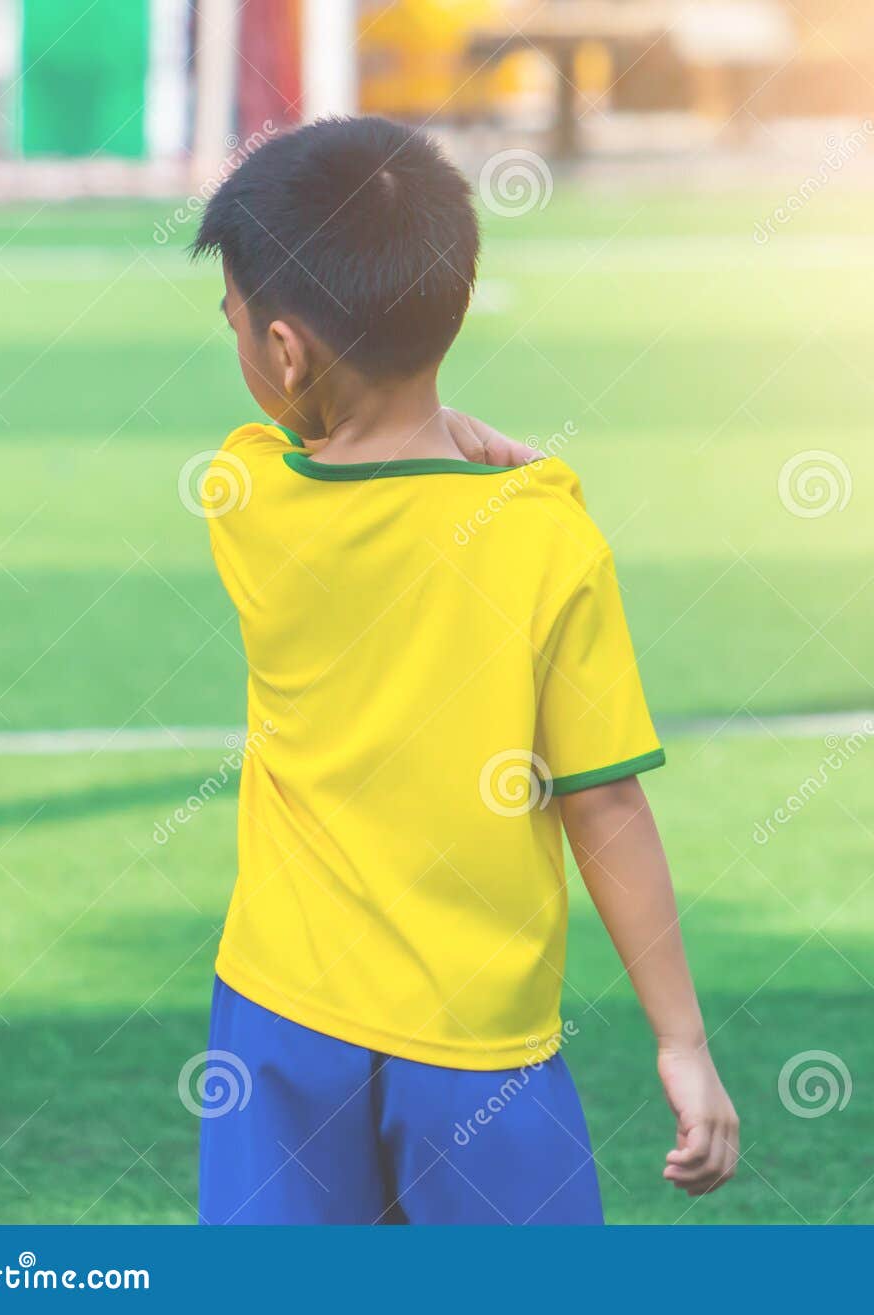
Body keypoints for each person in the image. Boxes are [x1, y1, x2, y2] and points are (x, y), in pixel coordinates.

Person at [189, 116, 737, 1224]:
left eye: (236, 322)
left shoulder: (244, 500)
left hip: (280, 1017)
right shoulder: (544, 534)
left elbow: (308, 444)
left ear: (285, 354)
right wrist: (680, 1039)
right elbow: (607, 801)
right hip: (481, 1040)